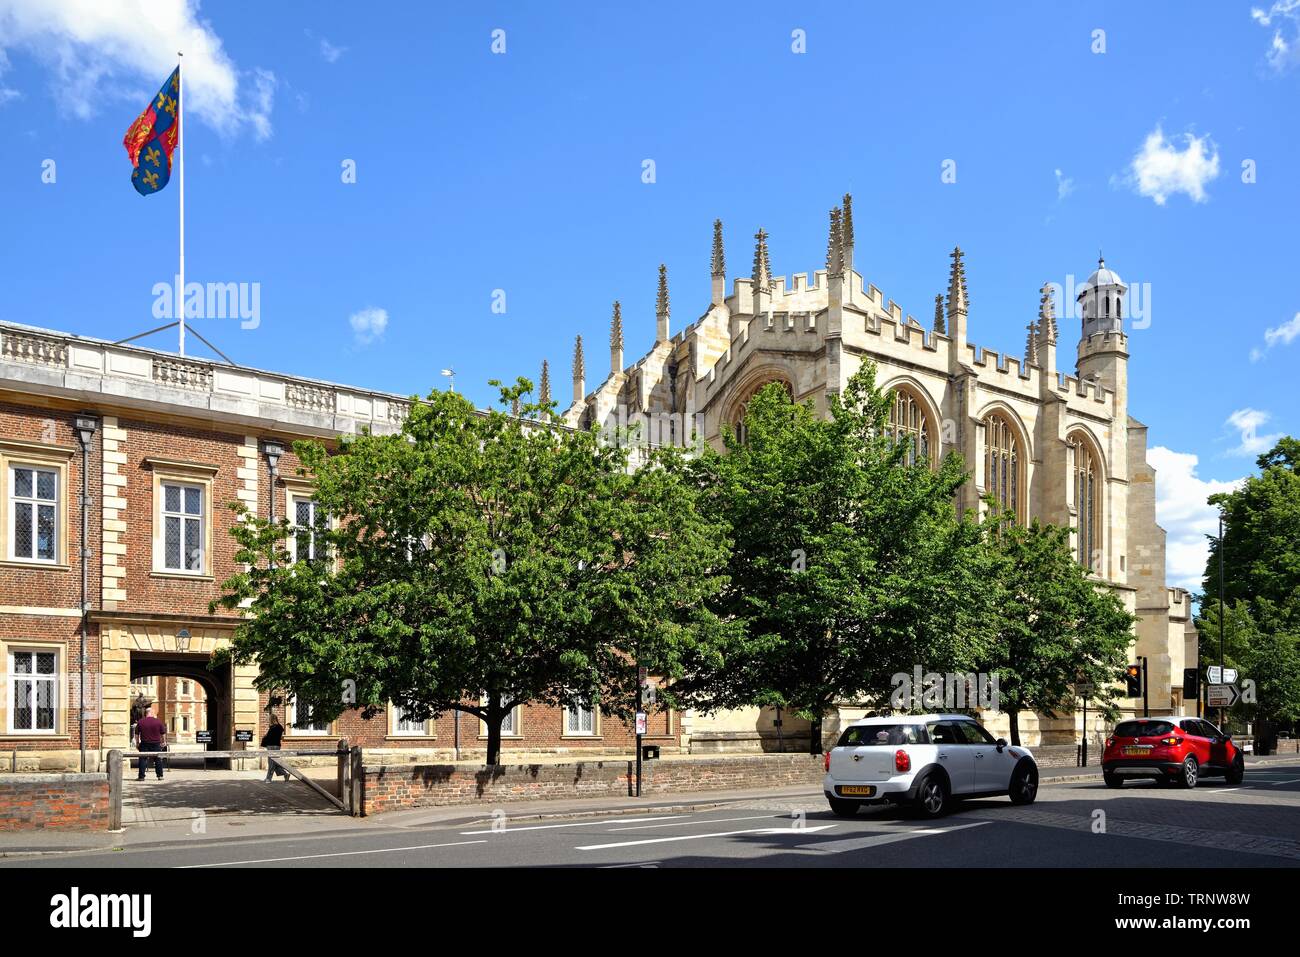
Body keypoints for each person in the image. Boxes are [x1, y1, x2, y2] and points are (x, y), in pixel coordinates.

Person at [134, 703, 167, 780]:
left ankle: (141, 777)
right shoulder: (158, 722)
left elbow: (136, 734)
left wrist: (137, 743)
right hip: (156, 743)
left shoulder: (140, 722)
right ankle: (160, 776)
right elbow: (163, 733)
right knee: (158, 760)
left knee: (142, 760)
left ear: (146, 713)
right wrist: (164, 742)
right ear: (152, 713)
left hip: (144, 743)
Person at [262, 714, 290, 782]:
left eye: (269, 719)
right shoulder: (280, 727)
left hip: (272, 746)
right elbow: (278, 737)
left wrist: (265, 736)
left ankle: (268, 778)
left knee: (271, 762)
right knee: (275, 762)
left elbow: (269, 737)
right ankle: (285, 774)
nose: (269, 720)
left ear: (271, 719)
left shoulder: (273, 727)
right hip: (277, 745)